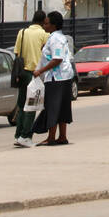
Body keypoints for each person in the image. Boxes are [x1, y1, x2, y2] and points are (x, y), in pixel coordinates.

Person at [33, 11, 76, 146]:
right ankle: (62, 136)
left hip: (56, 78)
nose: (44, 26)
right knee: (62, 107)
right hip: (64, 77)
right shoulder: (59, 37)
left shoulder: (55, 39)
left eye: (46, 23)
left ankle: (52, 137)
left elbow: (57, 59)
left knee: (52, 107)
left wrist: (40, 70)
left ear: (53, 25)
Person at [12, 9, 49, 148]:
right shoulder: (44, 34)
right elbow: (47, 51)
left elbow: (16, 53)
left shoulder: (22, 32)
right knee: (32, 106)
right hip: (35, 74)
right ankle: (26, 136)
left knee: (21, 105)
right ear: (43, 21)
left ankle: (18, 135)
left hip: (22, 73)